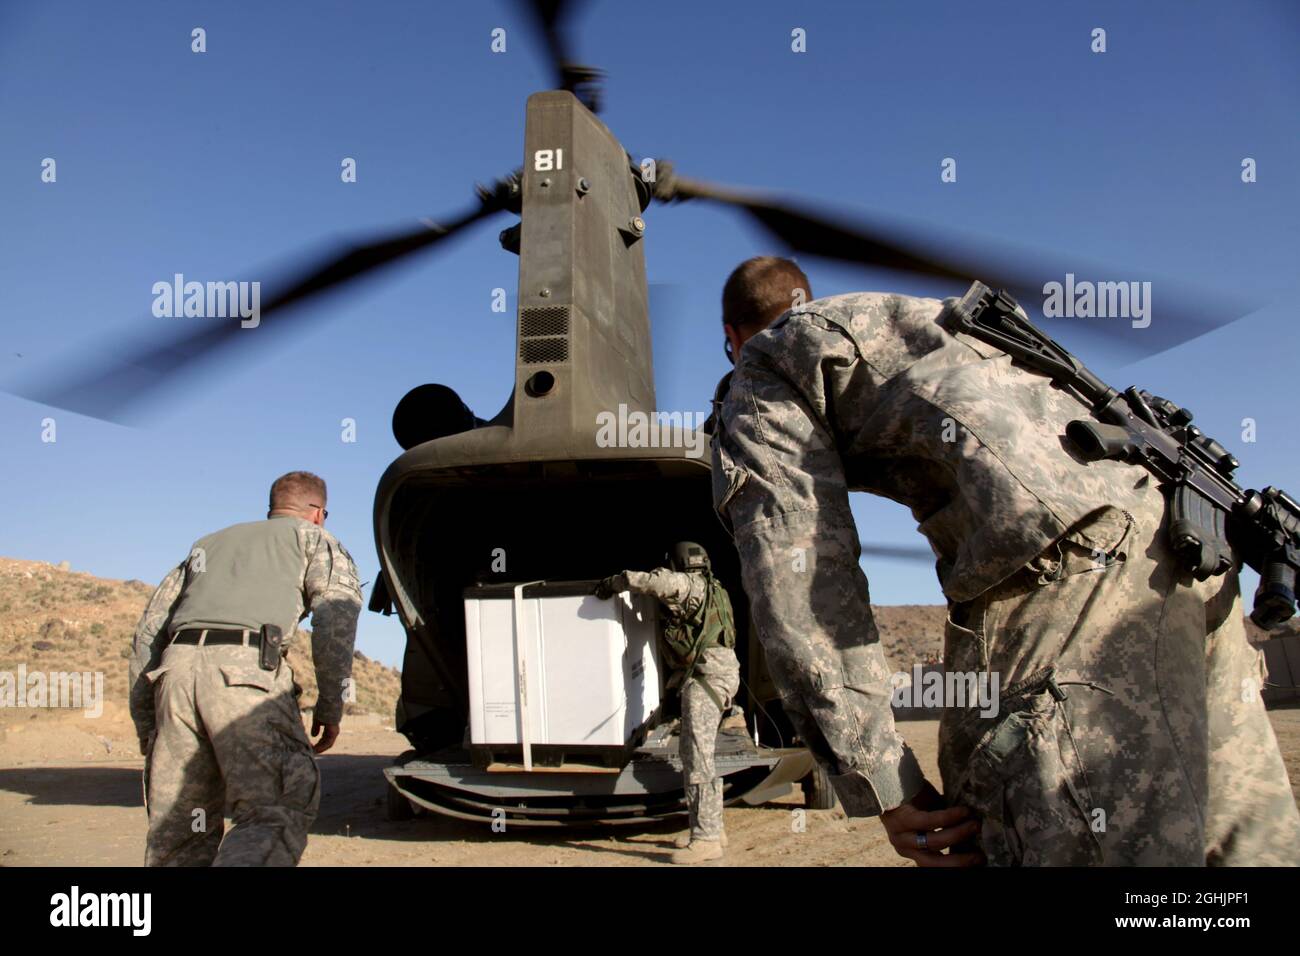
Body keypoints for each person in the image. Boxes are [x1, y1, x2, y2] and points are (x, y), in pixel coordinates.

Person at [709, 255, 1300, 866]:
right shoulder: (929, 323)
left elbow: (799, 566)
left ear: (732, 335)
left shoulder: (767, 361)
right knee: (1249, 852)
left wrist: (881, 779)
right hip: (1186, 541)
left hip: (1073, 573)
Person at [127, 471, 363, 866]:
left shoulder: (208, 545)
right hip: (245, 676)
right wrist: (331, 705)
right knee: (276, 808)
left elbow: (148, 634)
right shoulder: (314, 540)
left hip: (176, 674)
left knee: (179, 829)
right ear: (319, 512)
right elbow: (337, 618)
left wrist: (149, 726)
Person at [596, 542, 740, 864]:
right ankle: (713, 828)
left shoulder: (685, 584)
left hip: (706, 680)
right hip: (719, 675)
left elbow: (652, 581)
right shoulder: (714, 588)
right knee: (699, 754)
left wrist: (616, 582)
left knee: (697, 757)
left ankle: (705, 838)